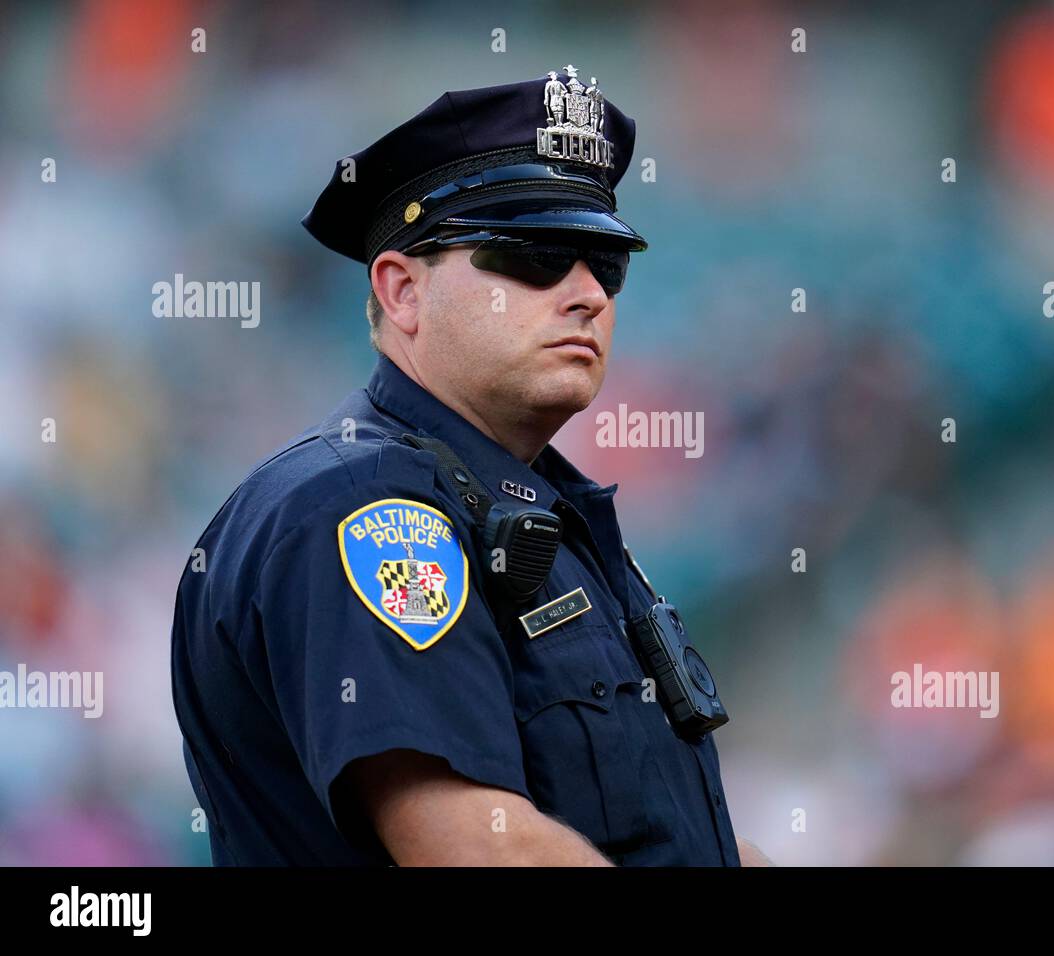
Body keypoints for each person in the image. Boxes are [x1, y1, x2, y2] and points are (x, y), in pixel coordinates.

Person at [170, 67, 773, 867]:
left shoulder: (542, 513)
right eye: (536, 255)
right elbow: (474, 849)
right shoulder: (358, 504)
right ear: (403, 292)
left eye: (608, 264)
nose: (590, 292)